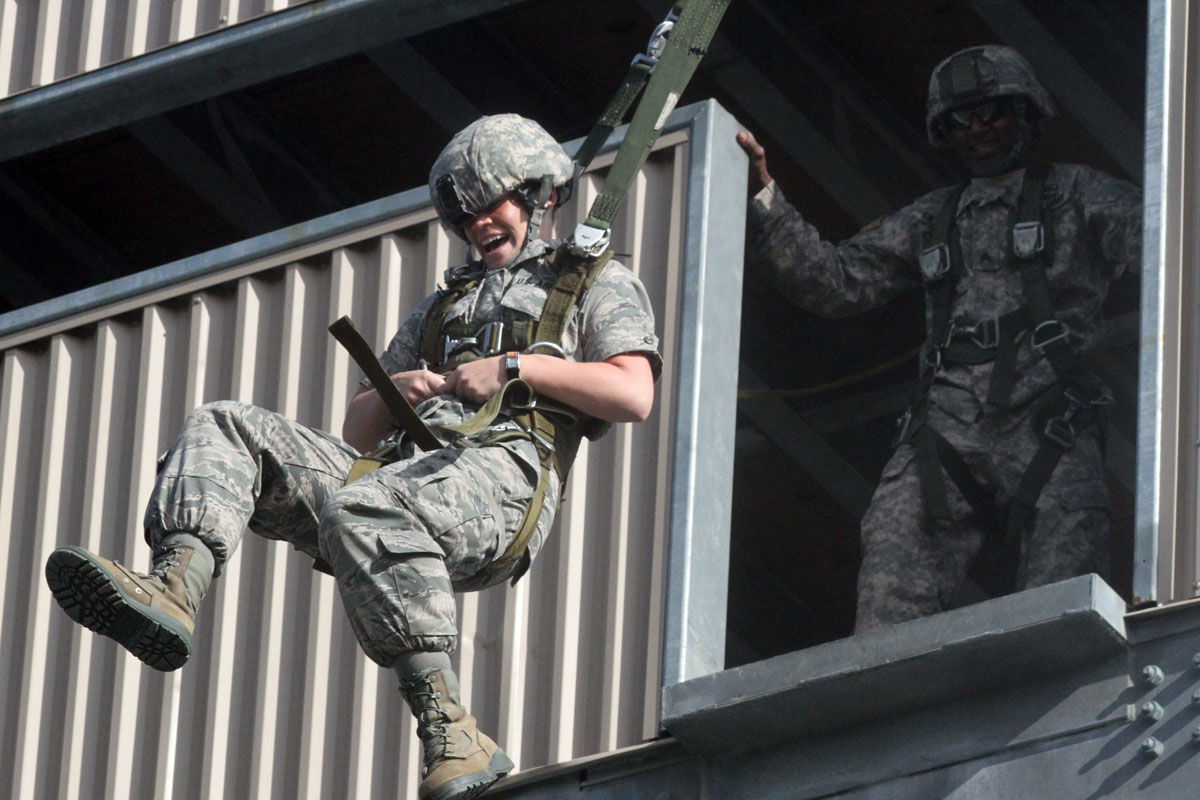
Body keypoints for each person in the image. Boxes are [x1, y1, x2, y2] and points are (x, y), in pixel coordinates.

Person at [44, 113, 661, 800]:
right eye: (461, 217)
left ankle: (451, 729)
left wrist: (517, 367)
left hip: (503, 475)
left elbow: (633, 394)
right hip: (406, 469)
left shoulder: (588, 282)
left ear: (537, 194)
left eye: (489, 206)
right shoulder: (441, 308)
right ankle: (175, 586)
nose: (477, 225)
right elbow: (359, 432)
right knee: (227, 424)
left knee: (363, 505)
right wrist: (401, 388)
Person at [736, 45, 1142, 633]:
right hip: (946, 425)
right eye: (960, 120)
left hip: (1050, 415)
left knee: (1065, 596)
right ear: (943, 133)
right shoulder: (932, 218)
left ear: (1026, 115)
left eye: (993, 112)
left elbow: (1168, 240)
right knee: (893, 560)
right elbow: (833, 282)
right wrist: (765, 199)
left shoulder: (1080, 195)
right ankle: (880, 706)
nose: (977, 130)